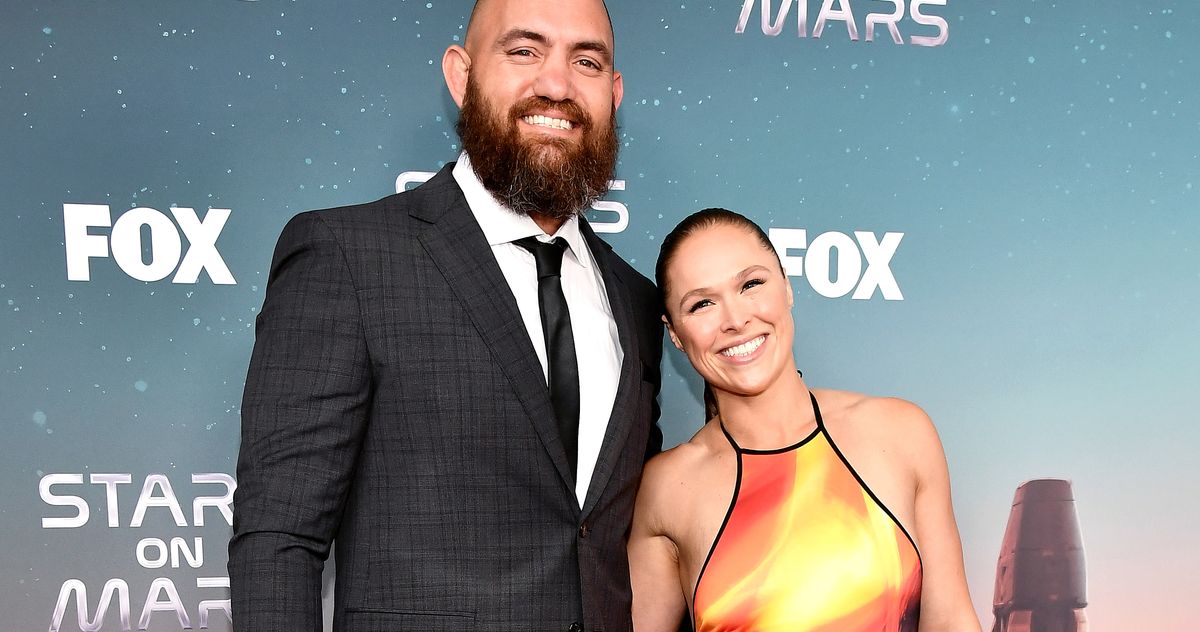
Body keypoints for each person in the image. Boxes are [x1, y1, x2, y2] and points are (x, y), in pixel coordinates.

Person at [228, 1, 663, 630]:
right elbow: (279, 541)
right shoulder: (349, 256)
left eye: (587, 62)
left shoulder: (635, 298)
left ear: (614, 95)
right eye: (524, 51)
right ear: (461, 76)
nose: (557, 83)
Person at [628, 209, 979, 631]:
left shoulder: (901, 433)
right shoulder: (668, 489)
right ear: (675, 334)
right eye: (702, 304)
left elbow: (952, 619)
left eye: (751, 284)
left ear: (787, 288)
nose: (735, 320)